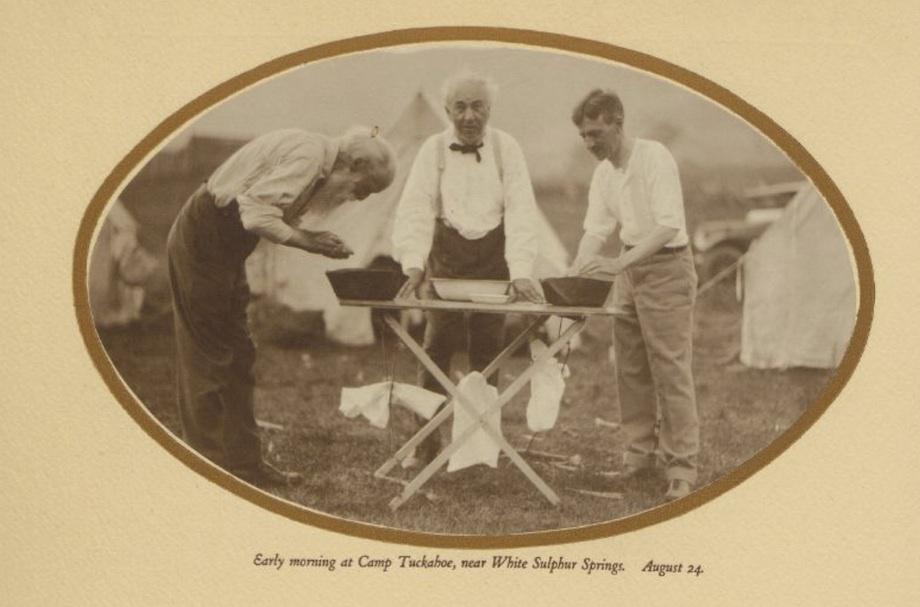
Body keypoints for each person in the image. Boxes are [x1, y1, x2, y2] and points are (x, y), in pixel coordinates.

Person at [167, 126, 396, 486]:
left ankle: (245, 467)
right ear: (353, 163)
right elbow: (256, 215)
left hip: (227, 248)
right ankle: (206, 473)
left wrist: (309, 236)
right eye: (364, 188)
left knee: (240, 357)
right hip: (204, 239)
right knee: (207, 359)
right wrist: (310, 242)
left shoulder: (318, 163)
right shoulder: (308, 155)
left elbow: (264, 211)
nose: (360, 199)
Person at [393, 71, 544, 463]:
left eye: (478, 106)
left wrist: (522, 269)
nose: (469, 115)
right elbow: (415, 208)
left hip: (495, 261)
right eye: (460, 106)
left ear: (490, 109)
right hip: (447, 260)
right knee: (435, 349)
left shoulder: (506, 148)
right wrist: (412, 264)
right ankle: (426, 444)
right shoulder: (433, 150)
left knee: (488, 352)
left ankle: (480, 445)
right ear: (447, 111)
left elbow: (523, 211)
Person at [570, 89, 699, 501]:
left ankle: (682, 467)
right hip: (629, 271)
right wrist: (575, 272)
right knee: (629, 368)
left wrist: (616, 266)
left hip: (667, 267)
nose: (590, 144)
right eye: (584, 137)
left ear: (618, 121)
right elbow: (595, 229)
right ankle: (638, 457)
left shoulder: (654, 157)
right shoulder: (605, 173)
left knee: (670, 369)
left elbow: (667, 225)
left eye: (595, 133)